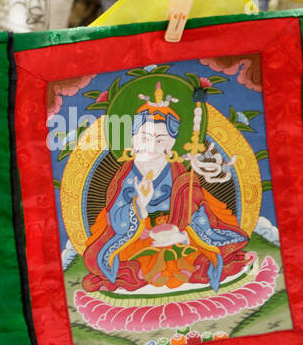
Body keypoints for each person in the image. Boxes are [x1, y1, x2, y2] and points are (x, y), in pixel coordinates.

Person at [82, 83, 249, 293]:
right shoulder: (125, 177)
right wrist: (140, 207)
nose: (152, 145)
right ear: (133, 139)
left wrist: (183, 235)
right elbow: (116, 219)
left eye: (160, 139)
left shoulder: (181, 176)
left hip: (178, 236)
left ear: (170, 144)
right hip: (138, 238)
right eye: (145, 137)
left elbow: (201, 213)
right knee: (110, 258)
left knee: (202, 250)